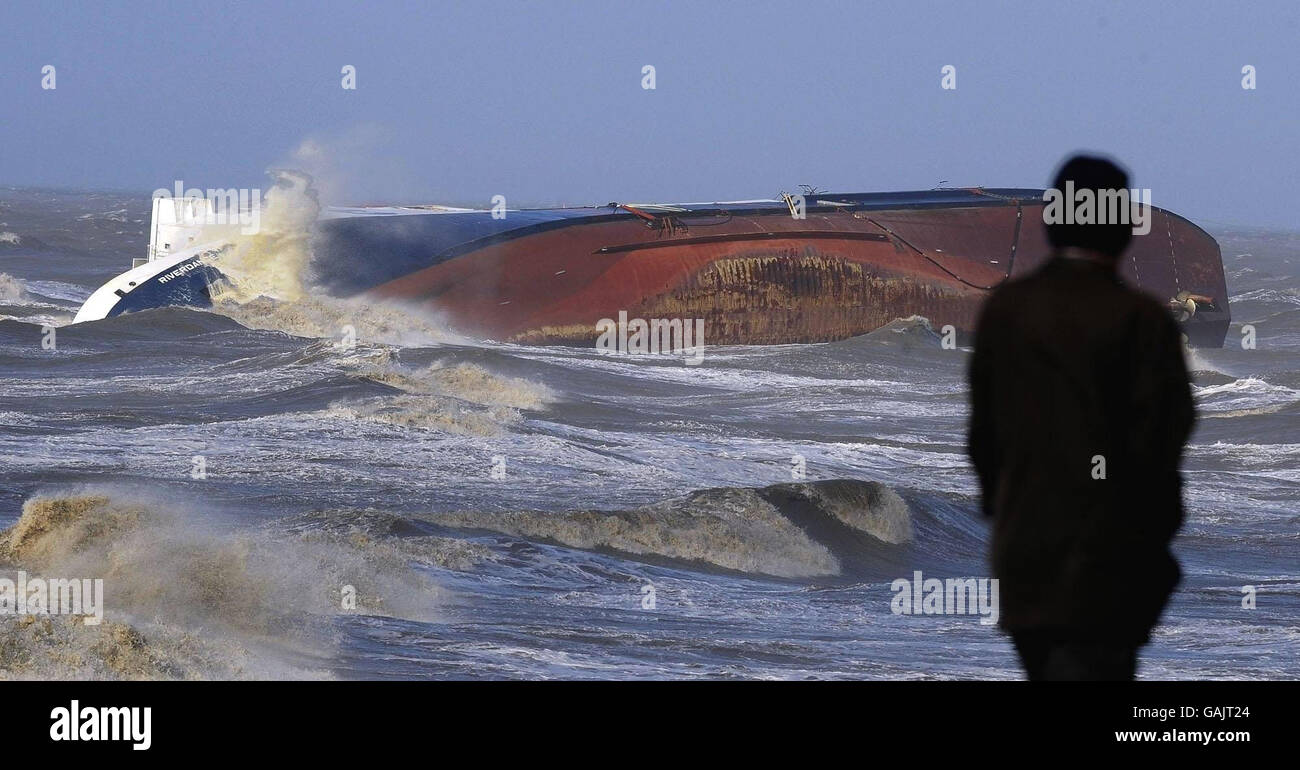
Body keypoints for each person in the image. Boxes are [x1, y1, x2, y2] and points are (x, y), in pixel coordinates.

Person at [966, 155, 1195, 680]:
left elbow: (984, 439)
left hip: (1024, 558)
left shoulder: (1005, 311)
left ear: (1051, 222)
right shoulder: (1143, 320)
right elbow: (1164, 442)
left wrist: (1006, 512)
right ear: (1122, 229)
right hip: (1110, 564)